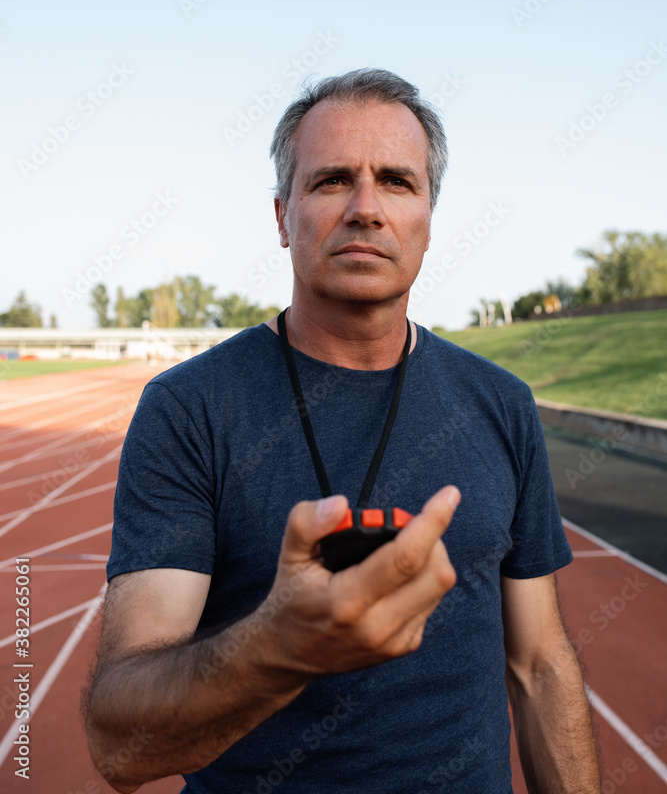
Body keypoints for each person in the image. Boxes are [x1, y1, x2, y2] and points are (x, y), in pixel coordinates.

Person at [84, 68, 601, 794]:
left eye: (396, 180)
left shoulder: (501, 403)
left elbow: (539, 664)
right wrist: (280, 648)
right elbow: (121, 748)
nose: (365, 208)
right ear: (280, 215)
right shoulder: (188, 408)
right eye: (330, 181)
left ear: (428, 215)